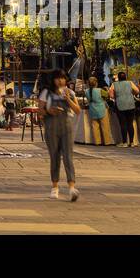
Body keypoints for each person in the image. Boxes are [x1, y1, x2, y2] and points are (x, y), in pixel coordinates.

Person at [38, 70, 81, 201]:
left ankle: (72, 187)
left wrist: (68, 99)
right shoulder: (46, 93)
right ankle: (55, 187)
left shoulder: (70, 92)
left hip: (67, 126)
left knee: (68, 156)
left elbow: (77, 110)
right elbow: (40, 111)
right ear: (53, 80)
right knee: (55, 156)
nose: (60, 81)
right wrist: (48, 111)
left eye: (62, 78)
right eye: (57, 79)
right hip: (51, 126)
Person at [109, 71, 140, 147]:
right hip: (130, 104)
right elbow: (137, 91)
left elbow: (111, 96)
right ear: (125, 77)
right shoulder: (130, 83)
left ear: (118, 78)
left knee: (123, 124)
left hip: (120, 105)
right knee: (130, 123)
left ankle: (125, 142)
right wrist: (131, 93)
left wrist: (117, 96)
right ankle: (132, 142)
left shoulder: (114, 84)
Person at [85, 76, 110, 145]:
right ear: (96, 83)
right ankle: (107, 142)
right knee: (105, 126)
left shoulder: (86, 91)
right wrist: (107, 90)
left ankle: (97, 142)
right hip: (102, 109)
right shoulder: (100, 90)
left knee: (95, 127)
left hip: (92, 109)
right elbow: (108, 95)